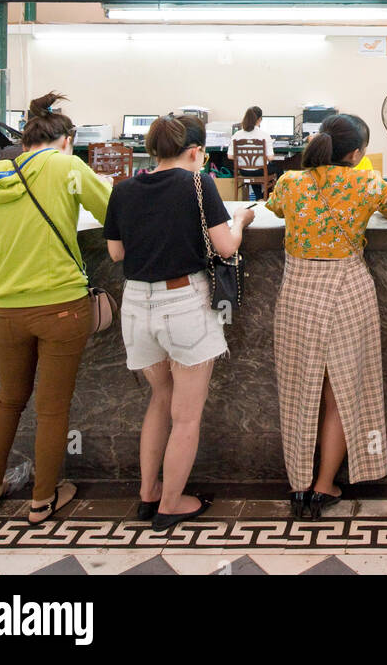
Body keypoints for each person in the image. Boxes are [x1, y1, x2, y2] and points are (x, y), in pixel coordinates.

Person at [0, 92, 112, 524]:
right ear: (66, 139)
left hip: (7, 311)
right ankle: (42, 501)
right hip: (61, 307)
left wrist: (3, 245)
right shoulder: (66, 166)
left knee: (8, 402)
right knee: (52, 409)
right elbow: (113, 213)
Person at [266, 112, 387, 519]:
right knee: (344, 390)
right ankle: (323, 486)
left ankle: (298, 484)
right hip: (348, 292)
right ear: (355, 154)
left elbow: (273, 209)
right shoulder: (368, 182)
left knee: (301, 390)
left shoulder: (290, 182)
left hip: (298, 294)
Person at [105, 114, 254, 531]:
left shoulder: (123, 189)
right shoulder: (197, 183)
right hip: (183, 303)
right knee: (186, 415)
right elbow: (225, 247)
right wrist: (240, 221)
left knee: (159, 401)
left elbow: (116, 254)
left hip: (136, 304)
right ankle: (171, 503)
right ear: (195, 152)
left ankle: (148, 494)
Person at [228, 106, 282, 200]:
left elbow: (230, 156)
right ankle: (272, 198)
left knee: (254, 170)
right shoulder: (264, 135)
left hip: (244, 171)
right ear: (260, 119)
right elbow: (270, 158)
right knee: (278, 170)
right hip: (260, 171)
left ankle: (259, 197)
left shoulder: (237, 135)